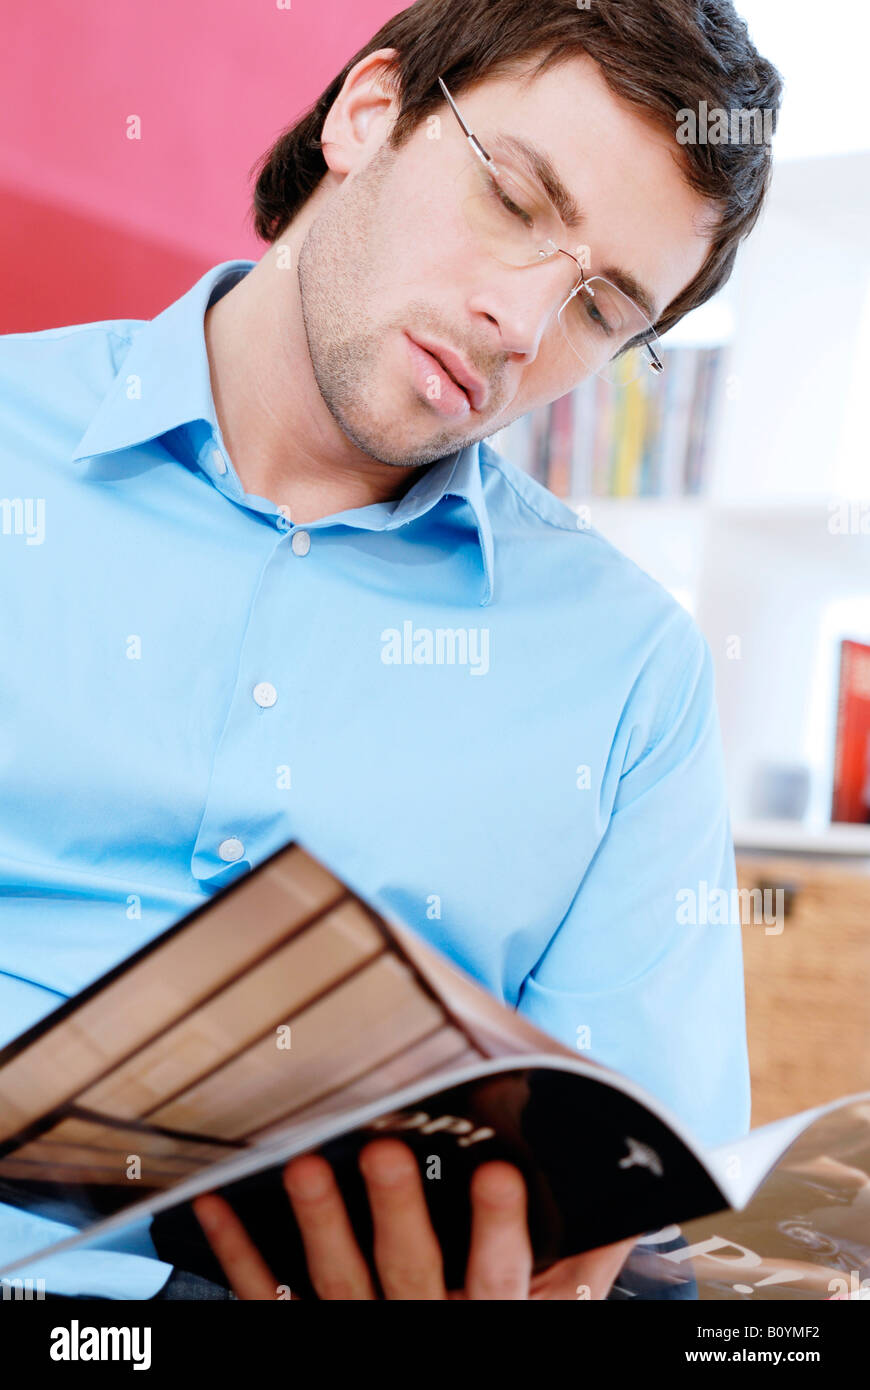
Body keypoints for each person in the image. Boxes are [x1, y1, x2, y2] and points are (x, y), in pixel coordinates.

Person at [0, 0, 781, 1299]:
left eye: (602, 308)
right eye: (515, 200)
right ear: (370, 114)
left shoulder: (629, 674)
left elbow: (643, 1230)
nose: (521, 325)